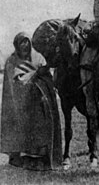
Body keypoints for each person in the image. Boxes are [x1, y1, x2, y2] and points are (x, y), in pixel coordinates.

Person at [0, 32, 62, 171]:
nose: (25, 45)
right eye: (22, 42)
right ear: (17, 45)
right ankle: (22, 157)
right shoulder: (11, 61)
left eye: (27, 42)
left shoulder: (38, 57)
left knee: (41, 128)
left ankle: (42, 158)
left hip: (39, 103)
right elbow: (16, 84)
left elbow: (46, 76)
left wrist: (43, 74)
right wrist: (34, 75)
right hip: (22, 105)